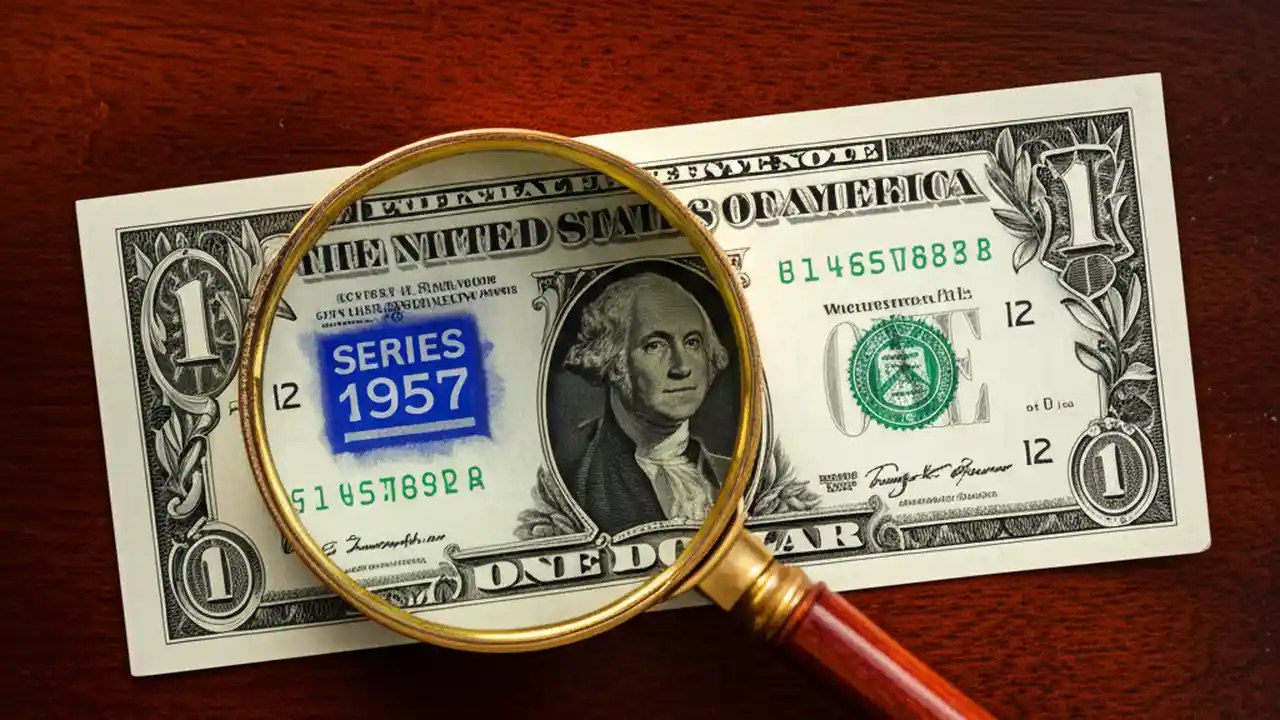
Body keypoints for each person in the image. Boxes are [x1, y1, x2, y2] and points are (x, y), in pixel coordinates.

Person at [560, 272, 731, 534]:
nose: (682, 367)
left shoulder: (732, 471)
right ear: (612, 359)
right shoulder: (571, 481)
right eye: (655, 345)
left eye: (693, 342)